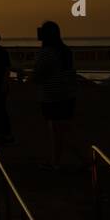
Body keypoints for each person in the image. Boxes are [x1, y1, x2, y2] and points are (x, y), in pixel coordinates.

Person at [33, 20, 77, 170]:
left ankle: (56, 161)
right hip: (67, 95)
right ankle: (58, 160)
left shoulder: (46, 53)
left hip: (52, 96)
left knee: (56, 131)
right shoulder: (65, 51)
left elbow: (39, 75)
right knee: (64, 130)